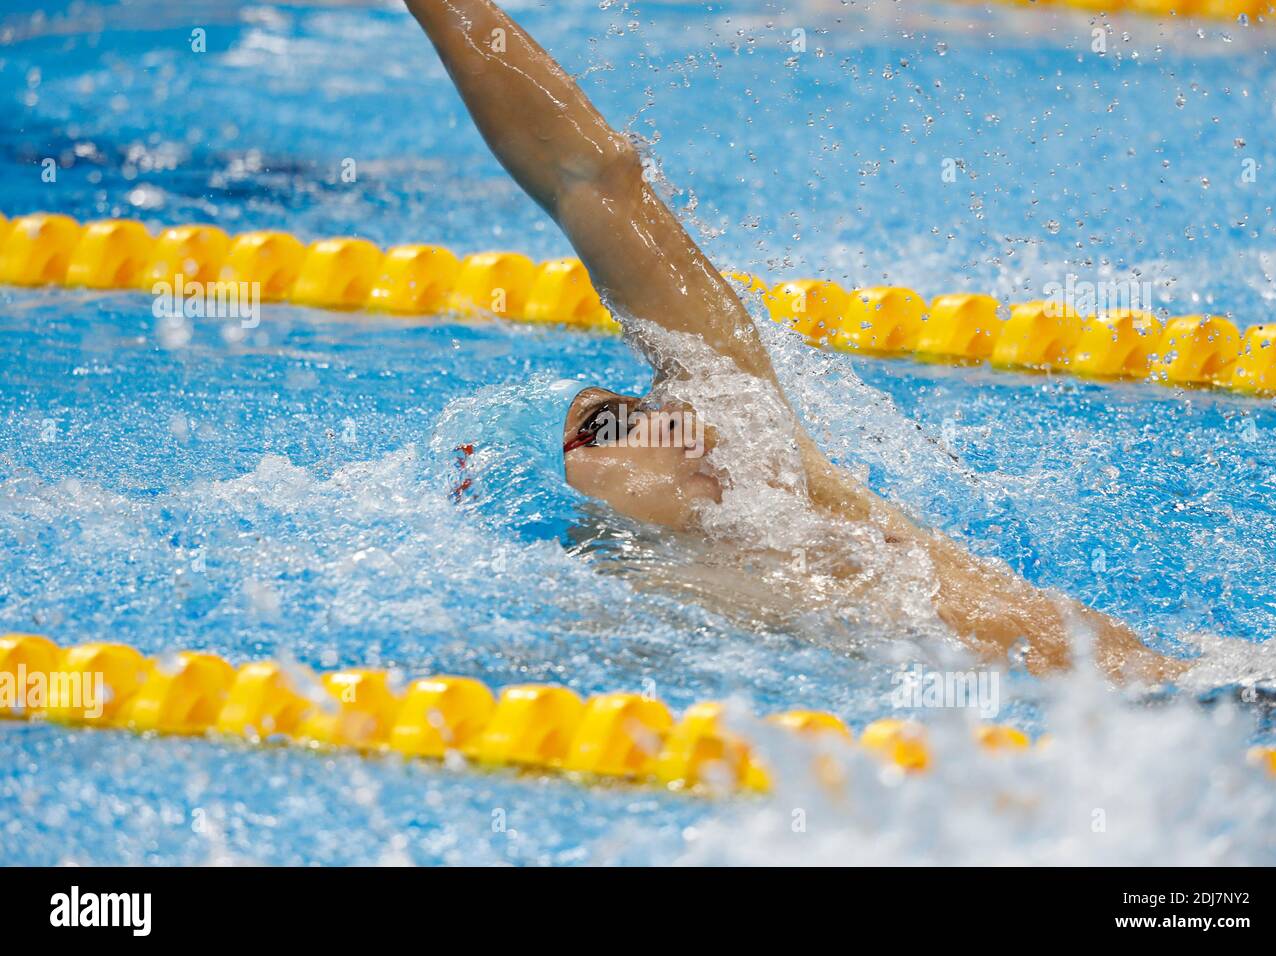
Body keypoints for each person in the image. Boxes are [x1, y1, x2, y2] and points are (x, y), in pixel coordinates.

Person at [404, 0, 1185, 684]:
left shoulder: (767, 459)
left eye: (638, 400)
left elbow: (593, 175)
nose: (666, 415)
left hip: (1200, 685)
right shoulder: (652, 610)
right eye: (610, 424)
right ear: (568, 498)